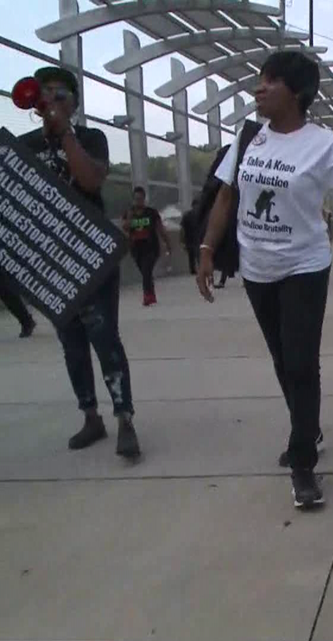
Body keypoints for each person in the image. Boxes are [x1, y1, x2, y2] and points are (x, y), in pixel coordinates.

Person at [196, 51, 333, 509]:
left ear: (296, 93)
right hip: (257, 270)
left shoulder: (322, 144)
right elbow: (226, 197)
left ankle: (303, 464)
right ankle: (308, 424)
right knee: (282, 360)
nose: (259, 88)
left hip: (304, 267)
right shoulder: (248, 137)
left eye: (270, 81)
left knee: (300, 362)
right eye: (260, 80)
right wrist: (205, 250)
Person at [17, 66, 140, 458]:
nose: (51, 101)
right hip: (50, 262)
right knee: (72, 344)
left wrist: (65, 133)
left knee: (105, 338)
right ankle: (90, 415)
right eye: (45, 94)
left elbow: (90, 181)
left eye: (61, 94)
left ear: (73, 102)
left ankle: (125, 419)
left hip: (90, 256)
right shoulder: (23, 146)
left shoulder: (91, 138)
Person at [122, 187, 172, 306]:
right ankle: (151, 293)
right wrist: (129, 217)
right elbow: (125, 228)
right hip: (136, 248)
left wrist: (168, 244)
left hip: (151, 247)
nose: (138, 201)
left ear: (144, 199)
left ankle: (147, 296)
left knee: (146, 270)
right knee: (145, 273)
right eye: (136, 199)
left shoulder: (152, 213)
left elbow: (161, 229)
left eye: (140, 199)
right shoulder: (128, 213)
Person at [181, 201, 199, 275]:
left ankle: (192, 270)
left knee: (191, 256)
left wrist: (182, 240)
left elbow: (182, 229)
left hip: (189, 239)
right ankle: (200, 268)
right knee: (198, 254)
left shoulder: (187, 215)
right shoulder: (201, 214)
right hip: (197, 238)